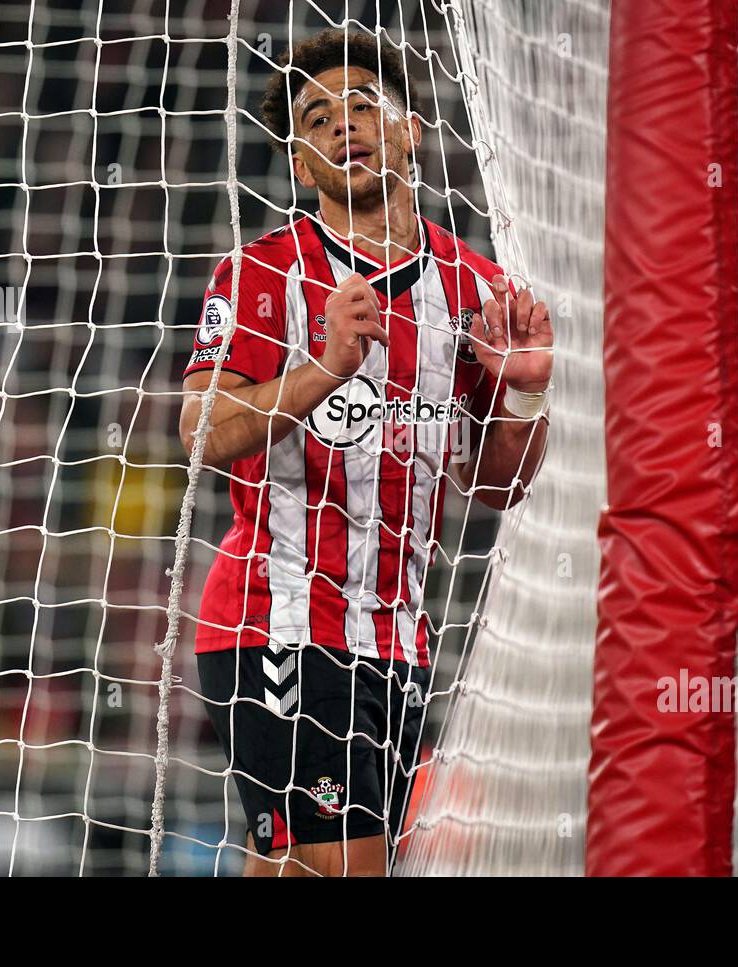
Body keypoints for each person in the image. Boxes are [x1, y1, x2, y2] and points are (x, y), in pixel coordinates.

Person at [177, 28, 553, 876]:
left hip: (398, 637)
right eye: (316, 117)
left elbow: (497, 486)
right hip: (274, 619)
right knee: (347, 865)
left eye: (362, 103)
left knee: (291, 866)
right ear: (302, 167)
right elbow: (198, 431)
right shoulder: (263, 275)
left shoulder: (477, 291)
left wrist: (525, 391)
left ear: (410, 129)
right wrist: (320, 370)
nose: (343, 122)